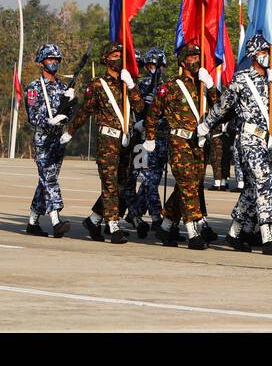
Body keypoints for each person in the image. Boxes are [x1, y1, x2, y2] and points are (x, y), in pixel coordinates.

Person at [206, 34, 272, 253]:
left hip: (270, 142)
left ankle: (233, 233)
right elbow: (224, 107)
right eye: (264, 53)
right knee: (264, 181)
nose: (268, 57)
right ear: (254, 54)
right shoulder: (241, 80)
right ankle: (267, 236)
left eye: (269, 53)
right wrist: (205, 125)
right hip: (250, 139)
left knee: (253, 188)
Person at [145, 43, 219, 249]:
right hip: (179, 142)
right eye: (192, 57)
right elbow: (153, 114)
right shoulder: (170, 86)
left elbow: (221, 108)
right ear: (182, 61)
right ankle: (193, 232)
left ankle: (166, 226)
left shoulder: (202, 84)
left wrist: (211, 86)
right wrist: (150, 138)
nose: (195, 61)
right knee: (188, 185)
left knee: (189, 187)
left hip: (200, 143)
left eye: (198, 57)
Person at [63, 41, 135, 244]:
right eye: (113, 56)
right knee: (109, 183)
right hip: (107, 140)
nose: (117, 58)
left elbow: (138, 106)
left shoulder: (126, 81)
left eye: (120, 55)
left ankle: (94, 220)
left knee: (121, 184)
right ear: (105, 59)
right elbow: (86, 111)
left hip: (126, 140)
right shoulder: (97, 84)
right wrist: (71, 130)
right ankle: (113, 225)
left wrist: (132, 86)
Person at [23, 43, 72, 238]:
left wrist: (70, 104)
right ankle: (56, 220)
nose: (54, 63)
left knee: (46, 179)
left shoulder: (62, 87)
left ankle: (32, 222)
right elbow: (32, 115)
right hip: (43, 136)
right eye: (50, 59)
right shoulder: (34, 87)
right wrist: (48, 120)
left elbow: (68, 114)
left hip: (58, 138)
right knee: (49, 178)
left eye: (56, 60)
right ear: (42, 61)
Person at [128, 49, 169, 238]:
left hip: (161, 139)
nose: (155, 70)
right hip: (143, 138)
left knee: (152, 180)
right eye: (152, 66)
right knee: (146, 179)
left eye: (159, 66)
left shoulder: (168, 87)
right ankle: (155, 216)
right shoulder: (141, 85)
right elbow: (136, 107)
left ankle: (135, 212)